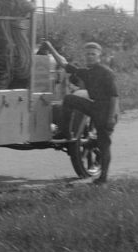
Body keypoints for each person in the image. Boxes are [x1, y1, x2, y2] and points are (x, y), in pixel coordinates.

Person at [42, 39, 119, 185]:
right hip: (95, 106)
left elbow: (114, 97)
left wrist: (110, 118)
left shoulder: (107, 73)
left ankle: (103, 178)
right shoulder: (86, 72)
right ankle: (65, 131)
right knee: (69, 99)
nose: (90, 56)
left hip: (107, 110)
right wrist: (50, 47)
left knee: (104, 144)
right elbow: (64, 65)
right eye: (87, 54)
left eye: (93, 54)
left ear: (99, 56)